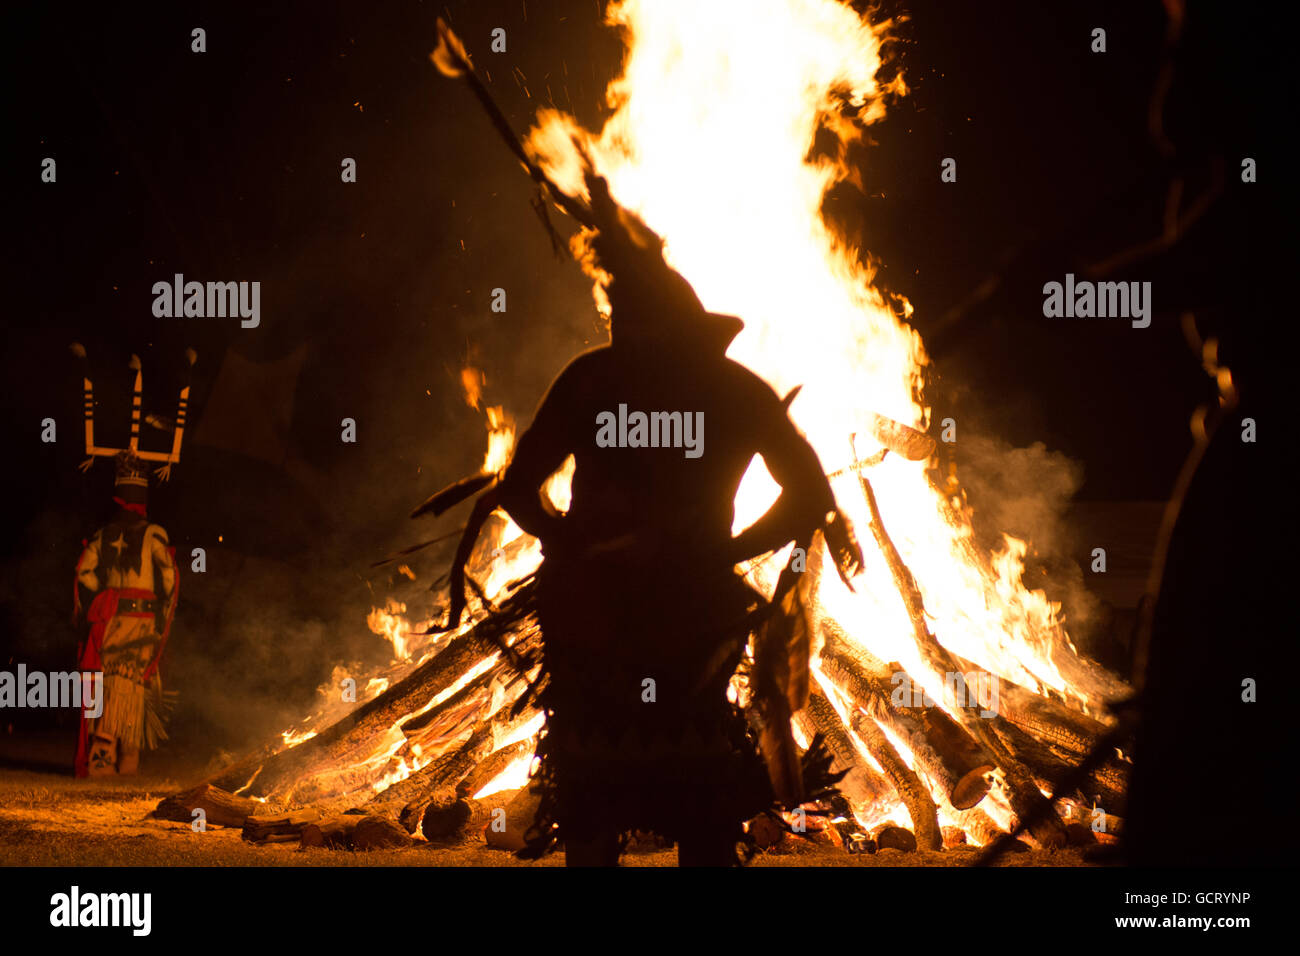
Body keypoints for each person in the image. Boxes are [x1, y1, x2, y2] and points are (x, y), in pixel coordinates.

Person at [494, 184, 860, 864]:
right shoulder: (724, 390)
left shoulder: (596, 381)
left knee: (605, 796)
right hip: (670, 614)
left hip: (624, 615)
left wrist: (569, 544)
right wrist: (724, 555)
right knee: (686, 795)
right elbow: (811, 495)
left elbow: (517, 490)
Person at [73, 450, 178, 777]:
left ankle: (114, 759)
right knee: (130, 685)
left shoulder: (103, 535)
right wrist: (162, 603)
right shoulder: (154, 533)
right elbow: (170, 576)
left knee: (113, 683)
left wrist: (106, 596)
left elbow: (84, 573)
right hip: (141, 620)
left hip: (112, 621)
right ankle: (115, 760)